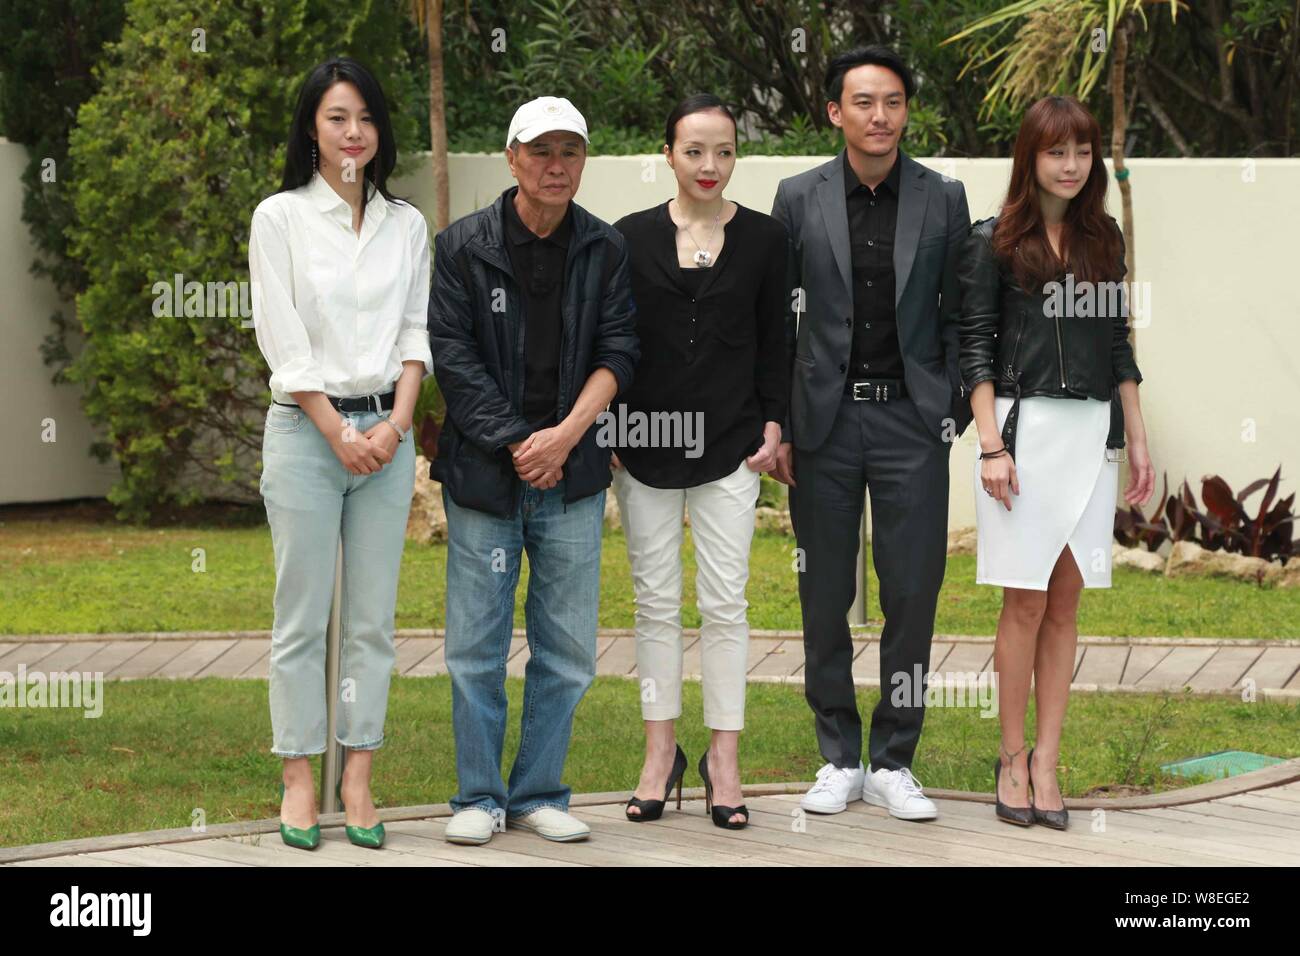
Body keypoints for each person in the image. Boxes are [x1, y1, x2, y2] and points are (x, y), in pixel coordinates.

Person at [768, 45, 974, 821]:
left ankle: (893, 759)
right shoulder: (797, 197)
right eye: (862, 102)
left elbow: (961, 311)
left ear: (905, 110)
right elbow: (779, 319)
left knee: (913, 592)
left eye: (891, 101)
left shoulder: (942, 197)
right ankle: (834, 757)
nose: (878, 115)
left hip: (911, 421)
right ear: (835, 112)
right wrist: (780, 420)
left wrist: (948, 404)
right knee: (824, 594)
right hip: (822, 422)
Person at [429, 96, 640, 846]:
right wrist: (524, 443)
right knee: (474, 648)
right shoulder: (460, 247)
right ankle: (480, 797)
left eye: (570, 152)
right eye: (542, 151)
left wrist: (564, 439)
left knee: (569, 649)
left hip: (573, 477)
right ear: (512, 156)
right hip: (486, 478)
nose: (557, 166)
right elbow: (452, 359)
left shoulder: (605, 249)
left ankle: (539, 791)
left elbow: (619, 353)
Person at [249, 57, 432, 851]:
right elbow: (282, 338)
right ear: (311, 130)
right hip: (305, 436)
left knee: (371, 623)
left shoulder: (407, 225)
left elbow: (416, 336)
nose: (352, 132)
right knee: (300, 619)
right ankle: (298, 776)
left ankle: (357, 774)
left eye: (363, 117)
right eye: (335, 118)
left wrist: (394, 428)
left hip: (387, 441)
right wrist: (337, 431)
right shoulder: (279, 219)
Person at [956, 95, 1154, 830]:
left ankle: (1047, 761)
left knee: (1066, 606)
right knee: (1025, 602)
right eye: (1055, 151)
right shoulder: (992, 241)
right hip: (1022, 433)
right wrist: (992, 446)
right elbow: (972, 347)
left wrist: (1135, 434)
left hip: (1089, 438)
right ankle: (1009, 758)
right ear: (1030, 158)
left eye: (1082, 151)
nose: (1070, 165)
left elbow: (1119, 345)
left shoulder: (1105, 240)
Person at [610, 94, 791, 830]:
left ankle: (723, 758)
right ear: (668, 155)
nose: (709, 166)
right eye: (694, 152)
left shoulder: (768, 241)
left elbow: (777, 339)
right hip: (645, 444)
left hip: (732, 447)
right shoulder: (626, 238)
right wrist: (612, 424)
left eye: (722, 151)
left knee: (726, 605)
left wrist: (775, 426)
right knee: (653, 605)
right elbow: (613, 339)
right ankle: (660, 753)